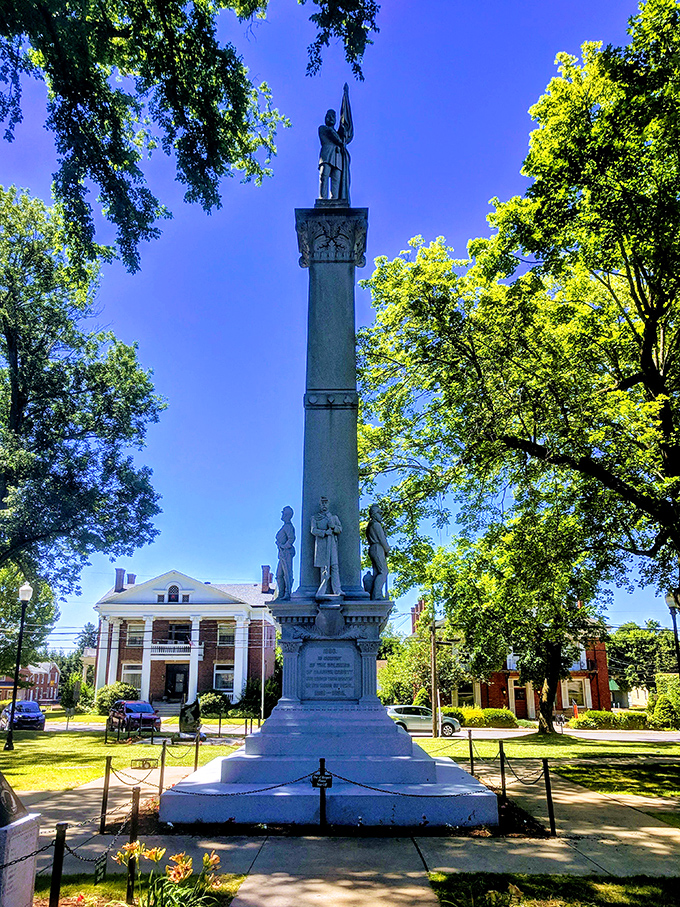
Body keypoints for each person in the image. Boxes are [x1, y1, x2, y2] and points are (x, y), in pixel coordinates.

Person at [311, 496, 343, 596]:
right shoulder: (315, 518)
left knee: (334, 566)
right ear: (320, 505)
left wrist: (333, 528)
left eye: (326, 503)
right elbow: (313, 530)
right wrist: (324, 533)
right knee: (324, 568)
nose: (324, 505)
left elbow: (339, 528)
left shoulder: (334, 518)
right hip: (321, 545)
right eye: (322, 503)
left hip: (332, 544)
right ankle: (322, 590)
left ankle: (337, 590)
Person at [366, 503, 391, 600]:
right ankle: (377, 595)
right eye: (379, 514)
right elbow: (382, 540)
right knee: (383, 571)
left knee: (377, 572)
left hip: (374, 548)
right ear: (374, 514)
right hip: (377, 547)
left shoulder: (371, 525)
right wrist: (387, 549)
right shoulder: (376, 525)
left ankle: (375, 594)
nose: (381, 516)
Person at [318, 109, 344, 200]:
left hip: (337, 157)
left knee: (336, 179)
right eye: (329, 116)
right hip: (326, 155)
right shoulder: (323, 128)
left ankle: (335, 199)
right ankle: (323, 198)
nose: (331, 118)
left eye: (333, 117)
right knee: (323, 175)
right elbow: (335, 137)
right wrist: (341, 139)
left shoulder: (338, 134)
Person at [275, 506, 296, 601]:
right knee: (279, 575)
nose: (282, 515)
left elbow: (291, 539)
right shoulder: (285, 526)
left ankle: (287, 593)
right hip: (282, 553)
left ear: (287, 515)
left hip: (286, 552)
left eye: (283, 513)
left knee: (287, 573)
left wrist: (283, 546)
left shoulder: (288, 526)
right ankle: (281, 593)